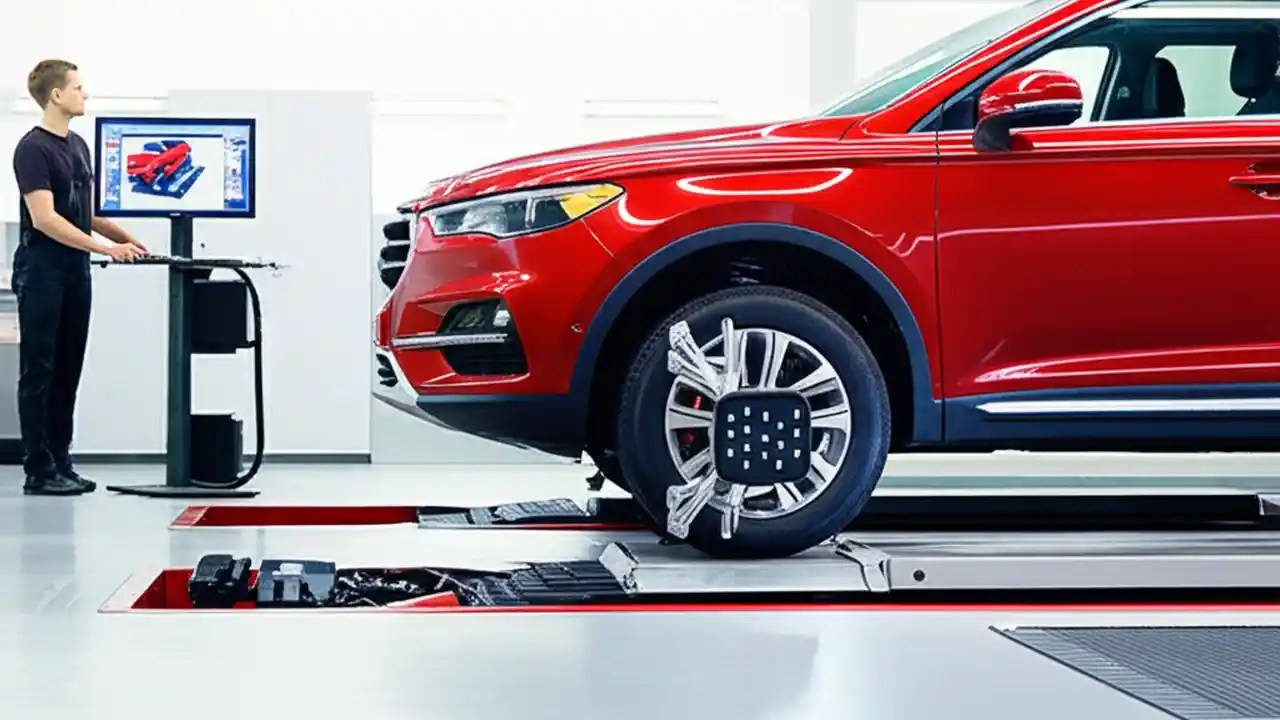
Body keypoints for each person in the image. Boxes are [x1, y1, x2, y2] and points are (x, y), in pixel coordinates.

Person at [12, 59, 147, 495]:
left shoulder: (79, 146)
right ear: (56, 95)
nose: (84, 94)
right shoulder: (32, 149)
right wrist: (107, 249)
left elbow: (84, 213)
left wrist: (128, 239)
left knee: (68, 368)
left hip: (75, 271)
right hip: (42, 270)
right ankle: (39, 469)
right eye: (78, 87)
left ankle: (62, 461)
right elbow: (47, 219)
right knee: (40, 370)